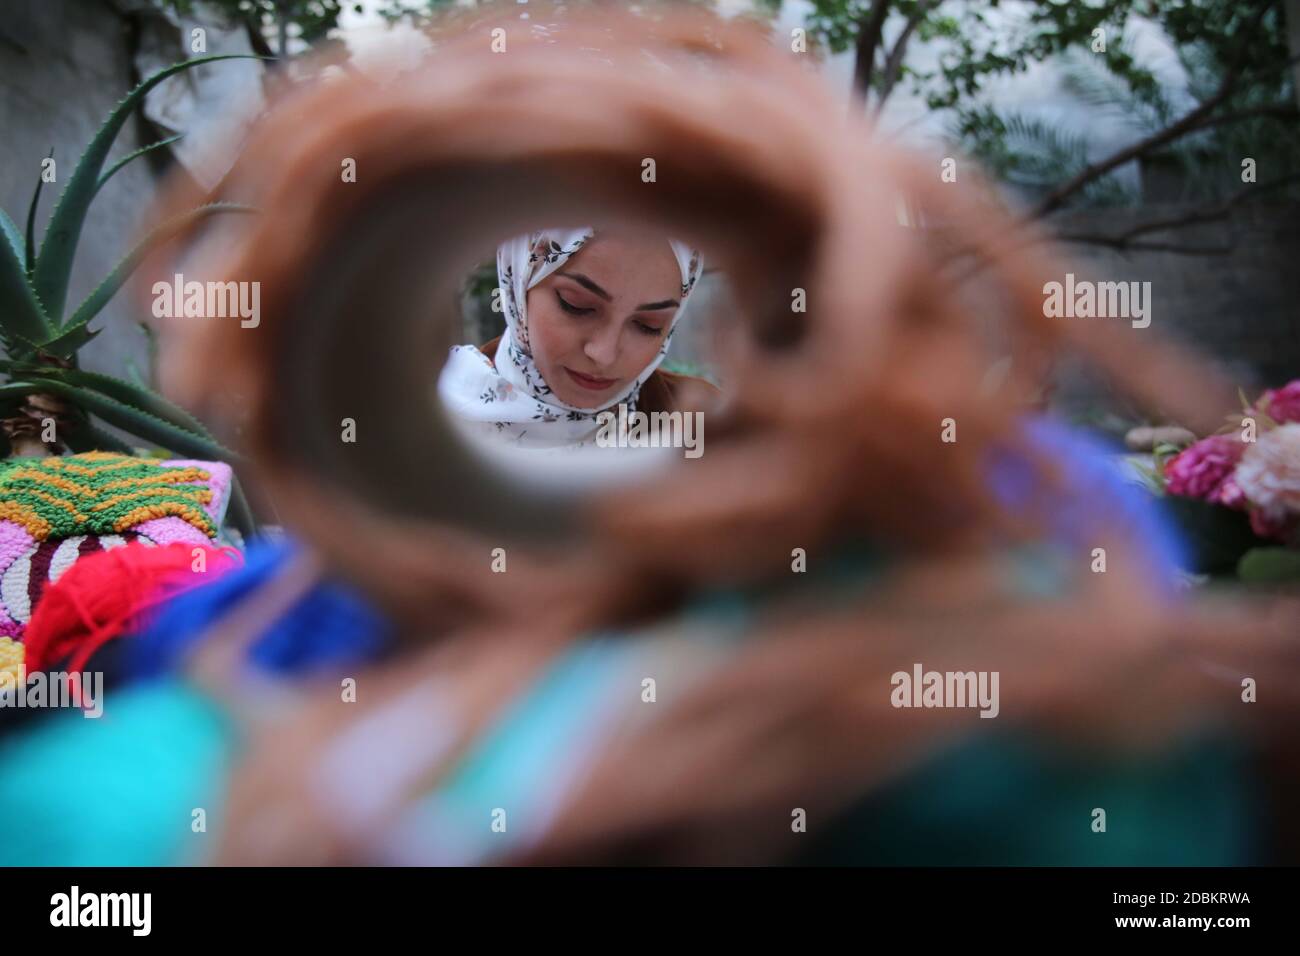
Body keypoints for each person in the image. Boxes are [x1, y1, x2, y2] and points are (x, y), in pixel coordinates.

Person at [437, 227, 717, 452]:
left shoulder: (710, 430)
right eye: (576, 306)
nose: (603, 354)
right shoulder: (427, 423)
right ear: (519, 285)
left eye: (648, 325)